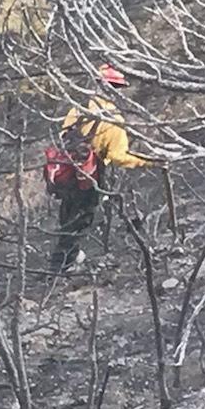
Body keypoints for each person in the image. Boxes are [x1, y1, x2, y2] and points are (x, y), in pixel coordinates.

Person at [44, 87, 144, 275]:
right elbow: (118, 156)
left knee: (67, 217)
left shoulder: (77, 110)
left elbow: (63, 136)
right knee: (81, 220)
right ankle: (60, 268)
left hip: (66, 174)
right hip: (89, 177)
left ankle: (68, 260)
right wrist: (144, 161)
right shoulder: (114, 120)